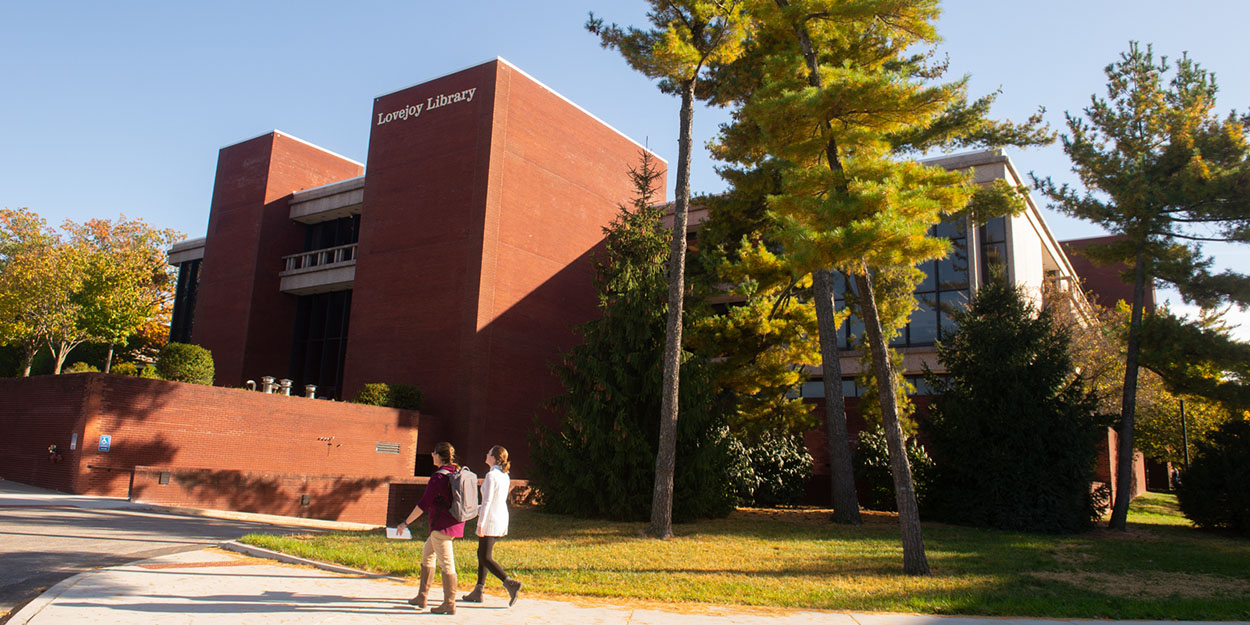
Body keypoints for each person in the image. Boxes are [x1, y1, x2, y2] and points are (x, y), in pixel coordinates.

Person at [397, 442, 465, 615]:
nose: (432, 455)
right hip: (452, 523)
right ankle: (422, 596)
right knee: (428, 554)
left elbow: (423, 504)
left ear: (439, 456)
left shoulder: (438, 478)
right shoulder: (455, 473)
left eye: (434, 452)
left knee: (447, 564)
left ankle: (449, 603)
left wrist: (405, 523)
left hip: (441, 527)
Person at [461, 445, 523, 606]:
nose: (486, 454)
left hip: (490, 519)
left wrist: (480, 523)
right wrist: (476, 509)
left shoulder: (491, 476)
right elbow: (494, 500)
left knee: (485, 557)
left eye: (489, 453)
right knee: (482, 553)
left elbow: (488, 501)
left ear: (494, 458)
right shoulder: (504, 476)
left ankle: (510, 583)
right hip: (500, 516)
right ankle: (478, 590)